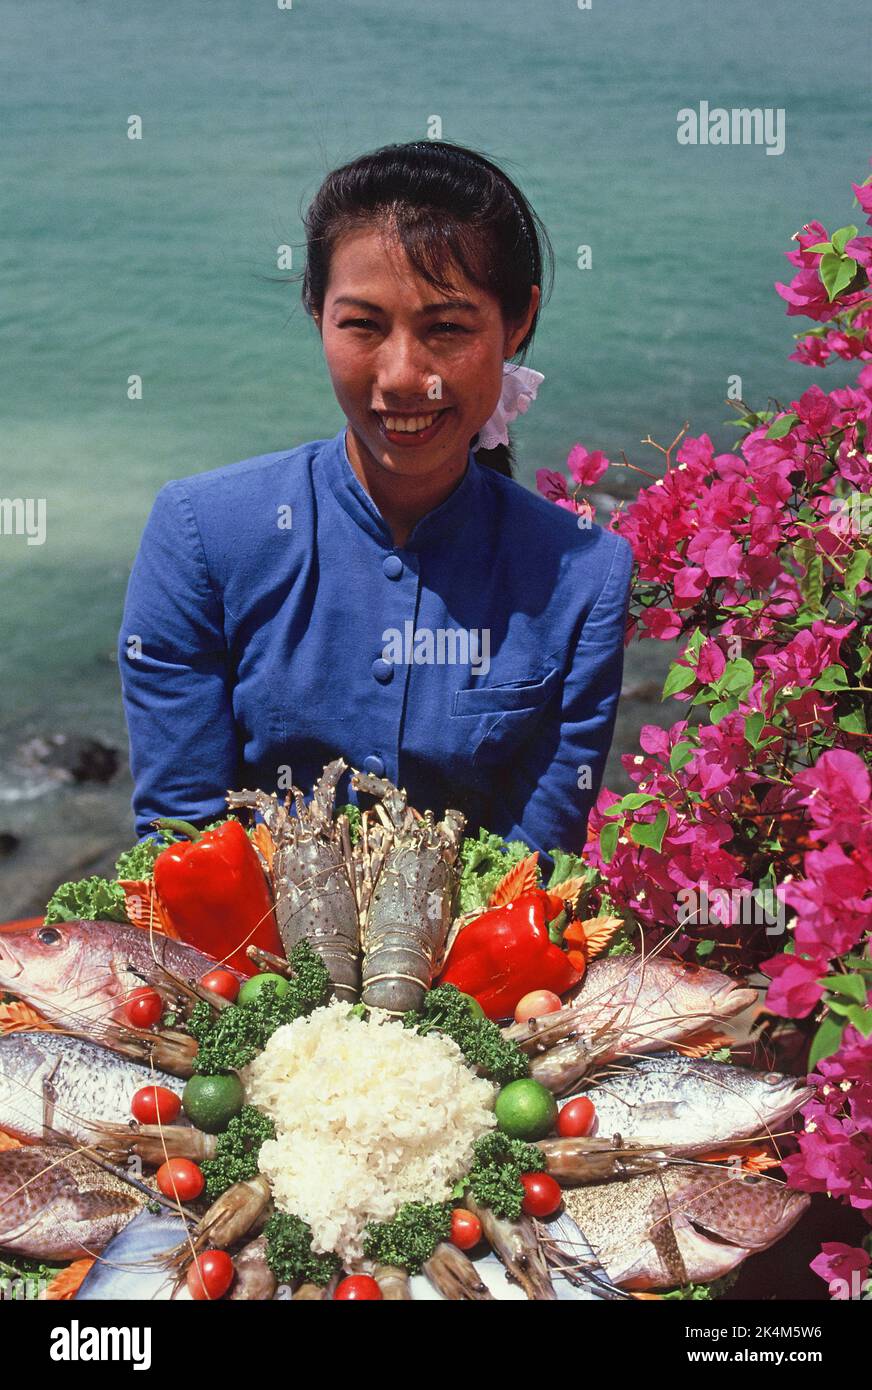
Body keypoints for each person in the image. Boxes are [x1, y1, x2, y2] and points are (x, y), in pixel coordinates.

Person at [118, 139, 633, 873]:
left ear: (517, 322)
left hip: (484, 982)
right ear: (317, 313)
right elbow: (184, 841)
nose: (403, 377)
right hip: (242, 971)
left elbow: (533, 875)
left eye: (447, 329)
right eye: (362, 325)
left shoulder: (584, 579)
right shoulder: (204, 536)